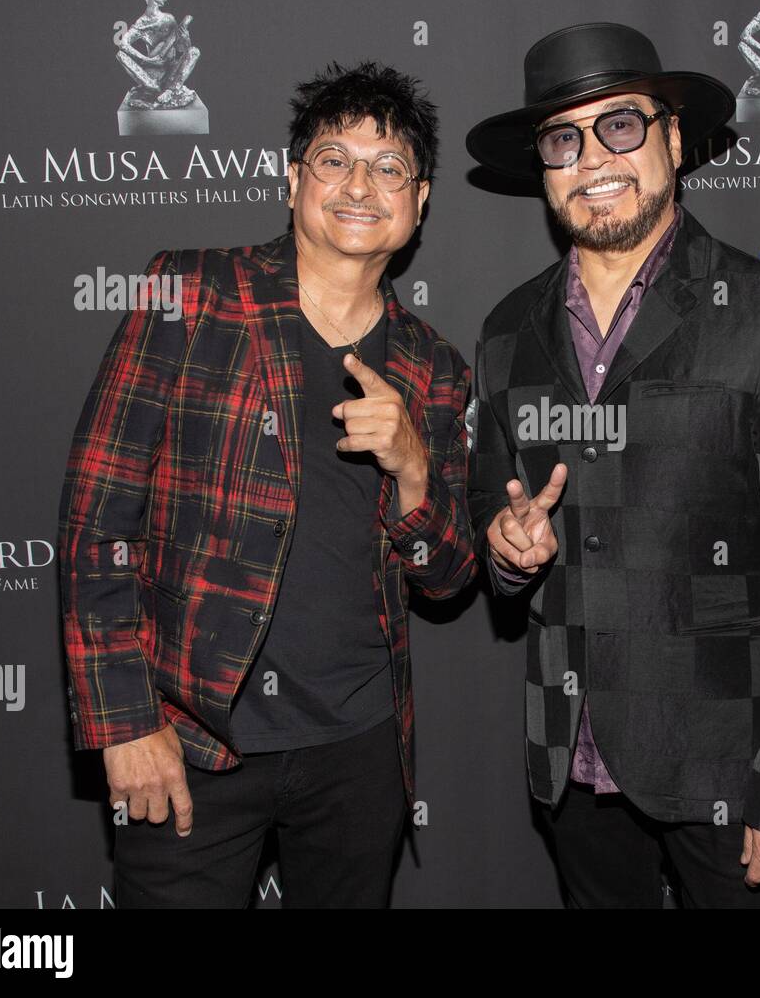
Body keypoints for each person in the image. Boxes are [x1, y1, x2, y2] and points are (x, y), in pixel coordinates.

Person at [58, 60, 476, 908]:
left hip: (358, 753)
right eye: (335, 159)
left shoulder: (433, 366)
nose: (362, 183)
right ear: (293, 179)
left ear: (420, 200)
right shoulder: (190, 293)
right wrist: (126, 722)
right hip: (193, 740)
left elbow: (449, 575)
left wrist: (412, 469)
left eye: (390, 166)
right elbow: (97, 515)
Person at [465, 22, 760, 907]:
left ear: (674, 139)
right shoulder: (506, 331)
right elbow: (492, 515)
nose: (593, 157)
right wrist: (505, 547)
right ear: (542, 164)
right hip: (571, 758)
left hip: (731, 766)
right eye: (564, 137)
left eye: (621, 125)